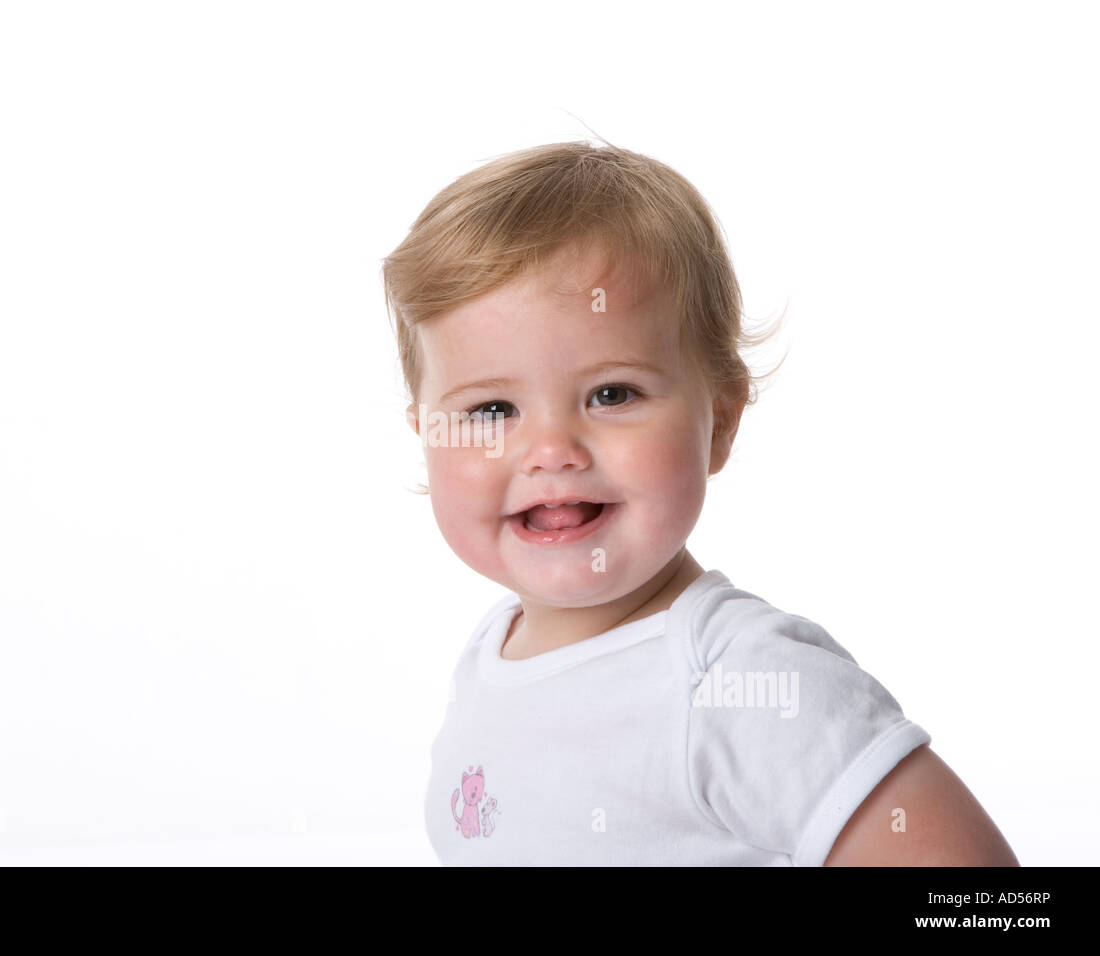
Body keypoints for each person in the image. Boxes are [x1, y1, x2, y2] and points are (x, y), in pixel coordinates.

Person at [381, 140, 1018, 866]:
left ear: (719, 423)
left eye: (611, 394)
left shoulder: (733, 678)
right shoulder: (489, 657)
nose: (551, 448)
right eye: (493, 409)